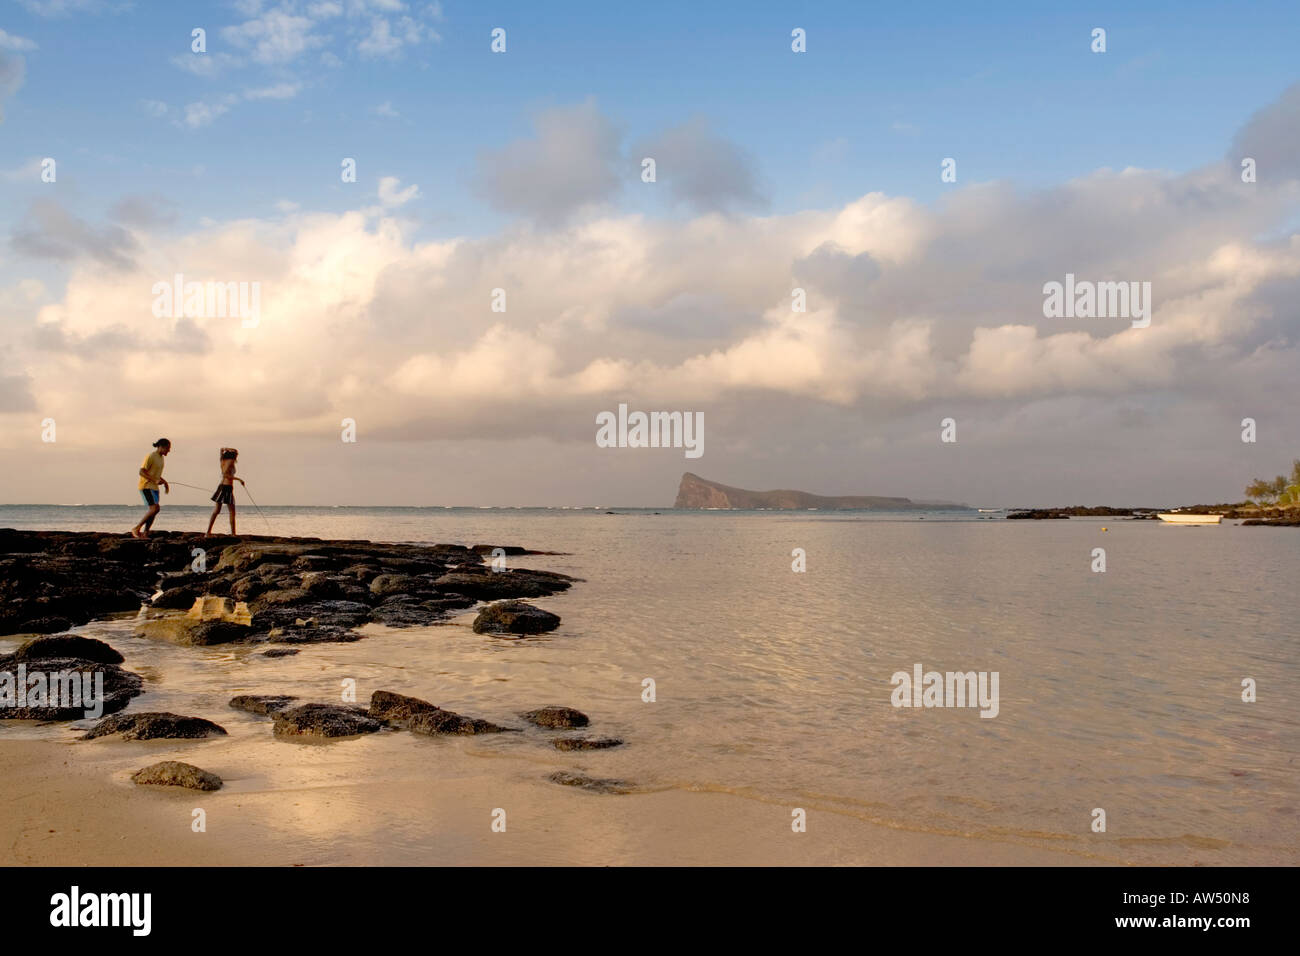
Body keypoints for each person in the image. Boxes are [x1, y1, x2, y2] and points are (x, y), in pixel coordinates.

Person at [130, 438, 170, 538]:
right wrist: (154, 480)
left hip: (155, 488)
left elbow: (156, 474)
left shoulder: (161, 458)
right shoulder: (151, 456)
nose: (169, 450)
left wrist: (164, 482)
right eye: (167, 448)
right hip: (146, 486)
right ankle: (136, 528)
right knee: (155, 508)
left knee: (155, 510)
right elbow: (141, 471)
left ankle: (146, 532)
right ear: (161, 447)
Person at [205, 447, 245, 536]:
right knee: (231, 512)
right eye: (236, 454)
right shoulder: (230, 461)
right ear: (233, 455)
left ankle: (208, 532)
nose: (237, 456)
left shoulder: (222, 460)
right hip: (226, 487)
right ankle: (233, 533)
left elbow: (221, 449)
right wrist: (239, 479)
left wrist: (229, 449)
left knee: (217, 511)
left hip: (222, 487)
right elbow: (225, 475)